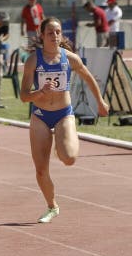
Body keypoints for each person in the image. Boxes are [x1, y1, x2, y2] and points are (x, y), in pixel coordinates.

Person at [20, 17, 109, 223]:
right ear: (41, 36)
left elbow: (88, 77)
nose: (55, 36)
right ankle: (52, 206)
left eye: (58, 32)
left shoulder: (69, 58)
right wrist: (39, 92)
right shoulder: (33, 60)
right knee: (41, 170)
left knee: (69, 158)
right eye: (50, 32)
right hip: (40, 116)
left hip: (63, 114)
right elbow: (24, 96)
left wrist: (101, 102)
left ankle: (62, 141)